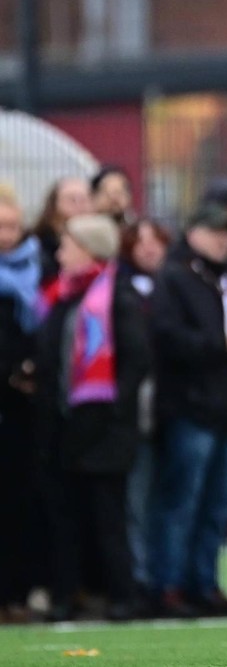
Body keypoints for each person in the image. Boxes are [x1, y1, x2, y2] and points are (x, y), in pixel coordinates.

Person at [35, 215, 149, 621]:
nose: (60, 253)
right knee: (65, 520)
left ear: (88, 248)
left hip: (106, 430)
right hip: (65, 426)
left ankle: (122, 596)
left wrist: (114, 413)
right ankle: (66, 596)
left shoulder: (118, 296)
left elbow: (136, 361)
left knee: (108, 518)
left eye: (67, 245)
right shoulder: (61, 297)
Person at [149, 203, 227, 618]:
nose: (223, 238)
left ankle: (203, 585)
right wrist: (221, 347)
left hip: (223, 413)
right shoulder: (176, 278)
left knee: (215, 507)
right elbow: (168, 338)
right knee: (182, 504)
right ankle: (169, 587)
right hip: (189, 411)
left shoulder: (220, 280)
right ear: (192, 232)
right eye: (214, 230)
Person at [116, 219, 171, 607]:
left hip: (170, 411)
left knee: (162, 503)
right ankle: (139, 581)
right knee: (136, 503)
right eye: (141, 241)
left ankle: (162, 581)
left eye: (156, 241)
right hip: (135, 415)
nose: (150, 248)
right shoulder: (122, 290)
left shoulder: (173, 286)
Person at [0, 187, 40, 623]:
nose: (7, 236)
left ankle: (14, 594)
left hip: (20, 408)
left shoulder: (33, 272)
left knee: (17, 504)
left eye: (12, 226)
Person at [32, 177, 92, 285]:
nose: (79, 206)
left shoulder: (99, 245)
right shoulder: (39, 244)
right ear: (54, 205)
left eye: (84, 200)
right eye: (72, 199)